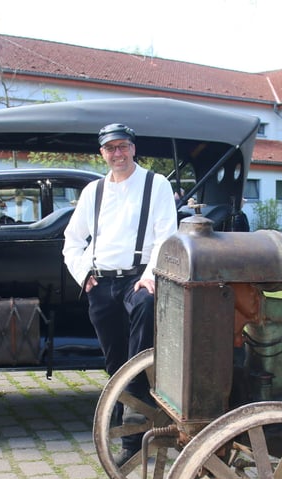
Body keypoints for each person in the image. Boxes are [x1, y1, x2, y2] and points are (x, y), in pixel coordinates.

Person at [62, 123, 177, 458]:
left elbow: (166, 236)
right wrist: (83, 274)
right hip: (101, 283)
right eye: (110, 148)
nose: (118, 154)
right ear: (102, 153)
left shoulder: (156, 184)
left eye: (123, 146)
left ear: (133, 149)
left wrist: (150, 275)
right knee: (115, 361)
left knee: (143, 318)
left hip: (138, 280)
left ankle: (131, 434)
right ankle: (122, 410)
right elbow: (72, 241)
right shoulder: (93, 191)